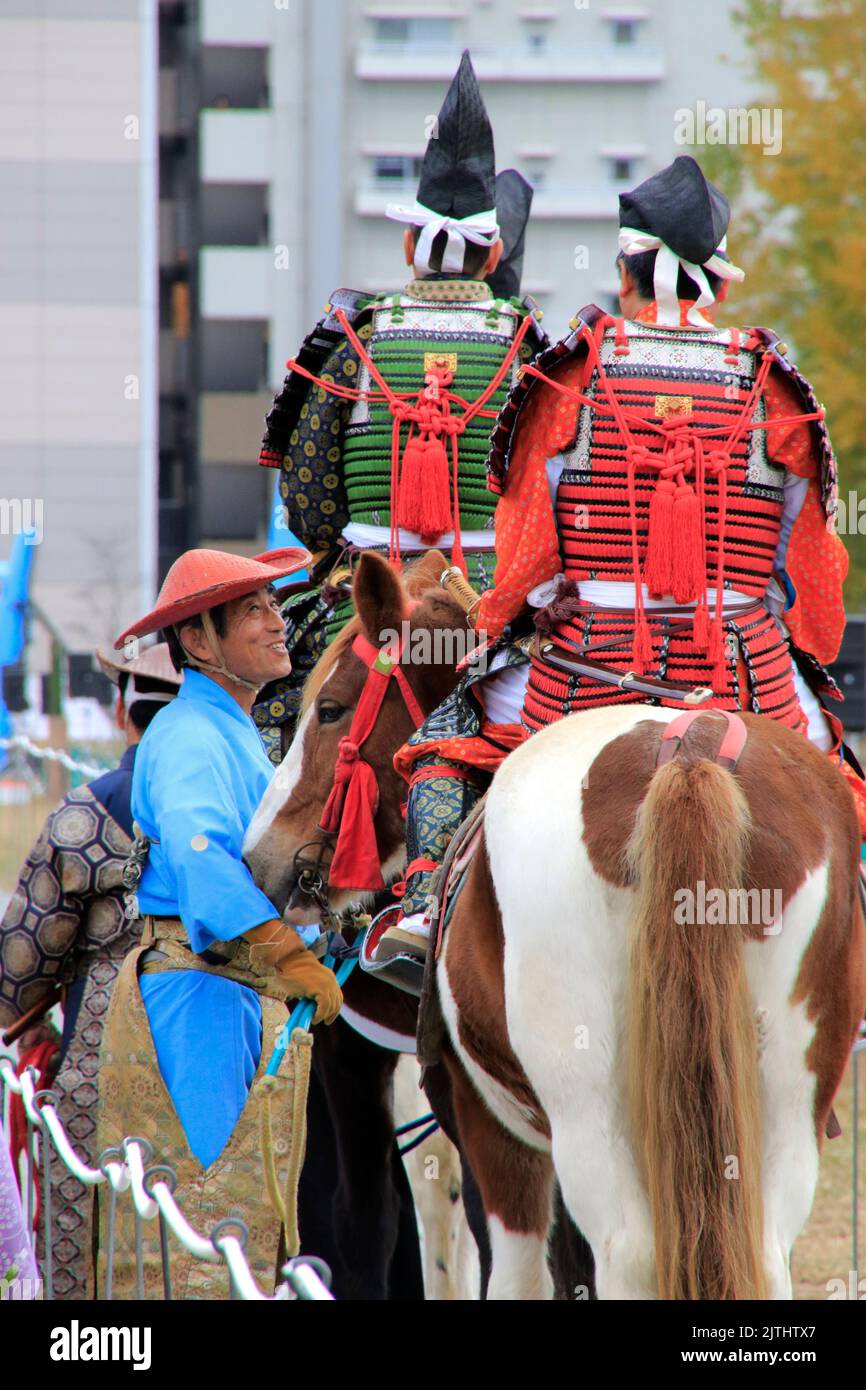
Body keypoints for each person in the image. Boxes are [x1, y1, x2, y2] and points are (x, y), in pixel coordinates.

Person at [382, 154, 865, 961]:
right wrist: (799, 647)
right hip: (747, 672)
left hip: (587, 672)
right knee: (836, 785)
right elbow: (814, 575)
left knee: (445, 738)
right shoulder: (775, 386)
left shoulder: (573, 376)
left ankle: (428, 905)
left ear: (627, 268)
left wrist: (522, 614)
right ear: (716, 280)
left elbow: (526, 558)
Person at [251, 50, 547, 762]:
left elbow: (309, 499)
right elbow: (554, 504)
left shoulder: (352, 337)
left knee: (273, 718)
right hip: (493, 618)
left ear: (411, 242)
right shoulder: (533, 349)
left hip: (367, 604)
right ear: (496, 249)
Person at [96, 547, 342, 1298]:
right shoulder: (190, 733)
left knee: (238, 1221)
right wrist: (286, 955)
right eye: (254, 611)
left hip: (230, 992)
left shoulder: (231, 729)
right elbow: (203, 860)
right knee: (206, 1225)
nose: (277, 622)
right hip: (197, 998)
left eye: (273, 606)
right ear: (199, 643)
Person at [0, 643, 180, 1298]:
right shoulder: (250, 803)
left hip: (101, 1083)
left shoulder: (84, 816)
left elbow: (17, 972)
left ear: (118, 710)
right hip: (228, 1073)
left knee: (90, 1285)